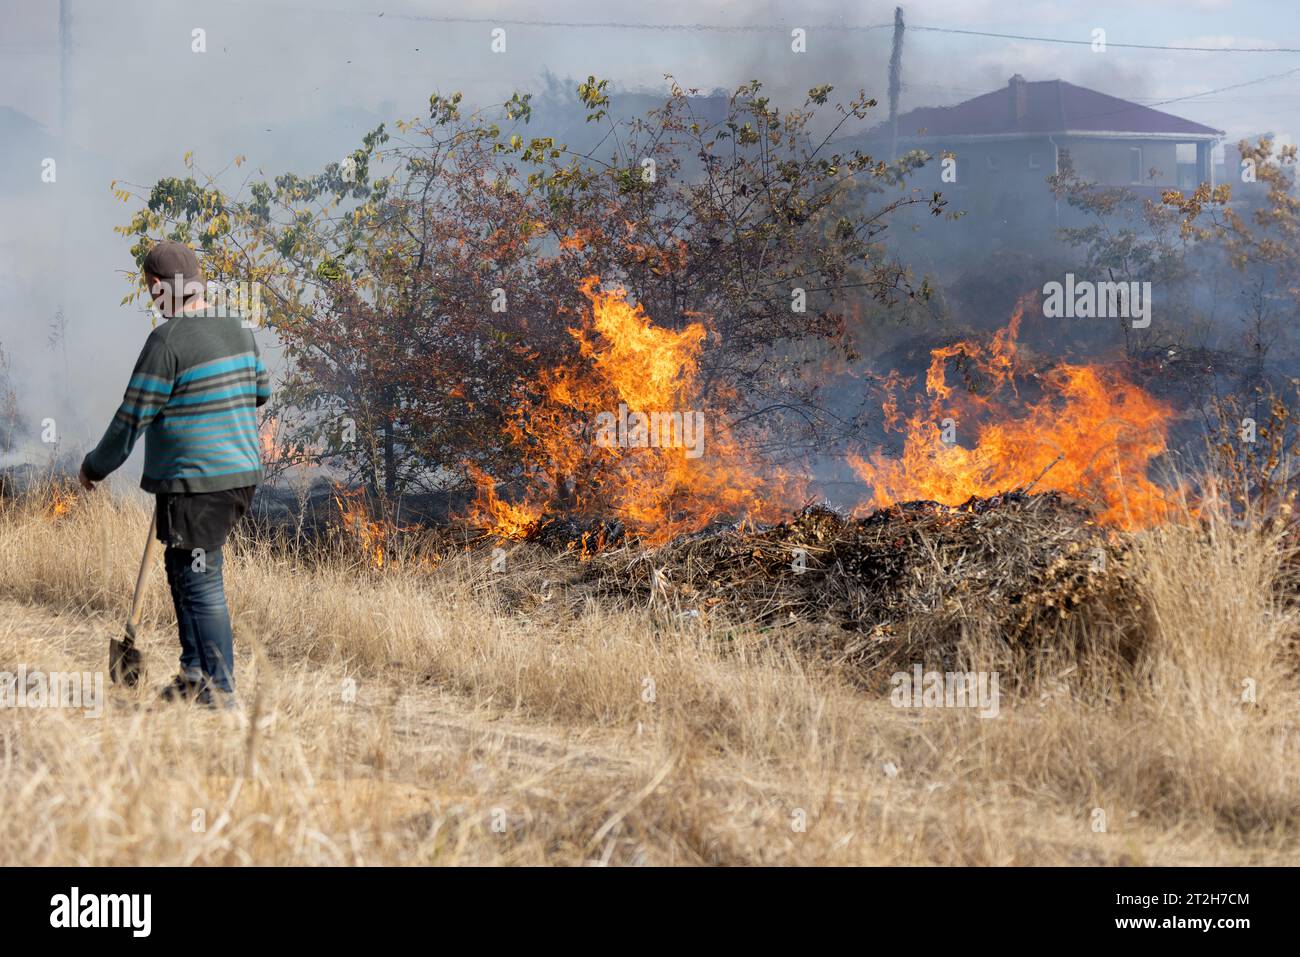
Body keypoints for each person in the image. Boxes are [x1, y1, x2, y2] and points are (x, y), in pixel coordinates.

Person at [79, 240, 269, 708]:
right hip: (238, 474)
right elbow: (259, 391)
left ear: (161, 287)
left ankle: (219, 690)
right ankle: (193, 675)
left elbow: (131, 418)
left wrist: (95, 467)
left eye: (149, 289)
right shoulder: (239, 329)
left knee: (201, 576)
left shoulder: (166, 342)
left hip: (198, 481)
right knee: (183, 566)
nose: (150, 297)